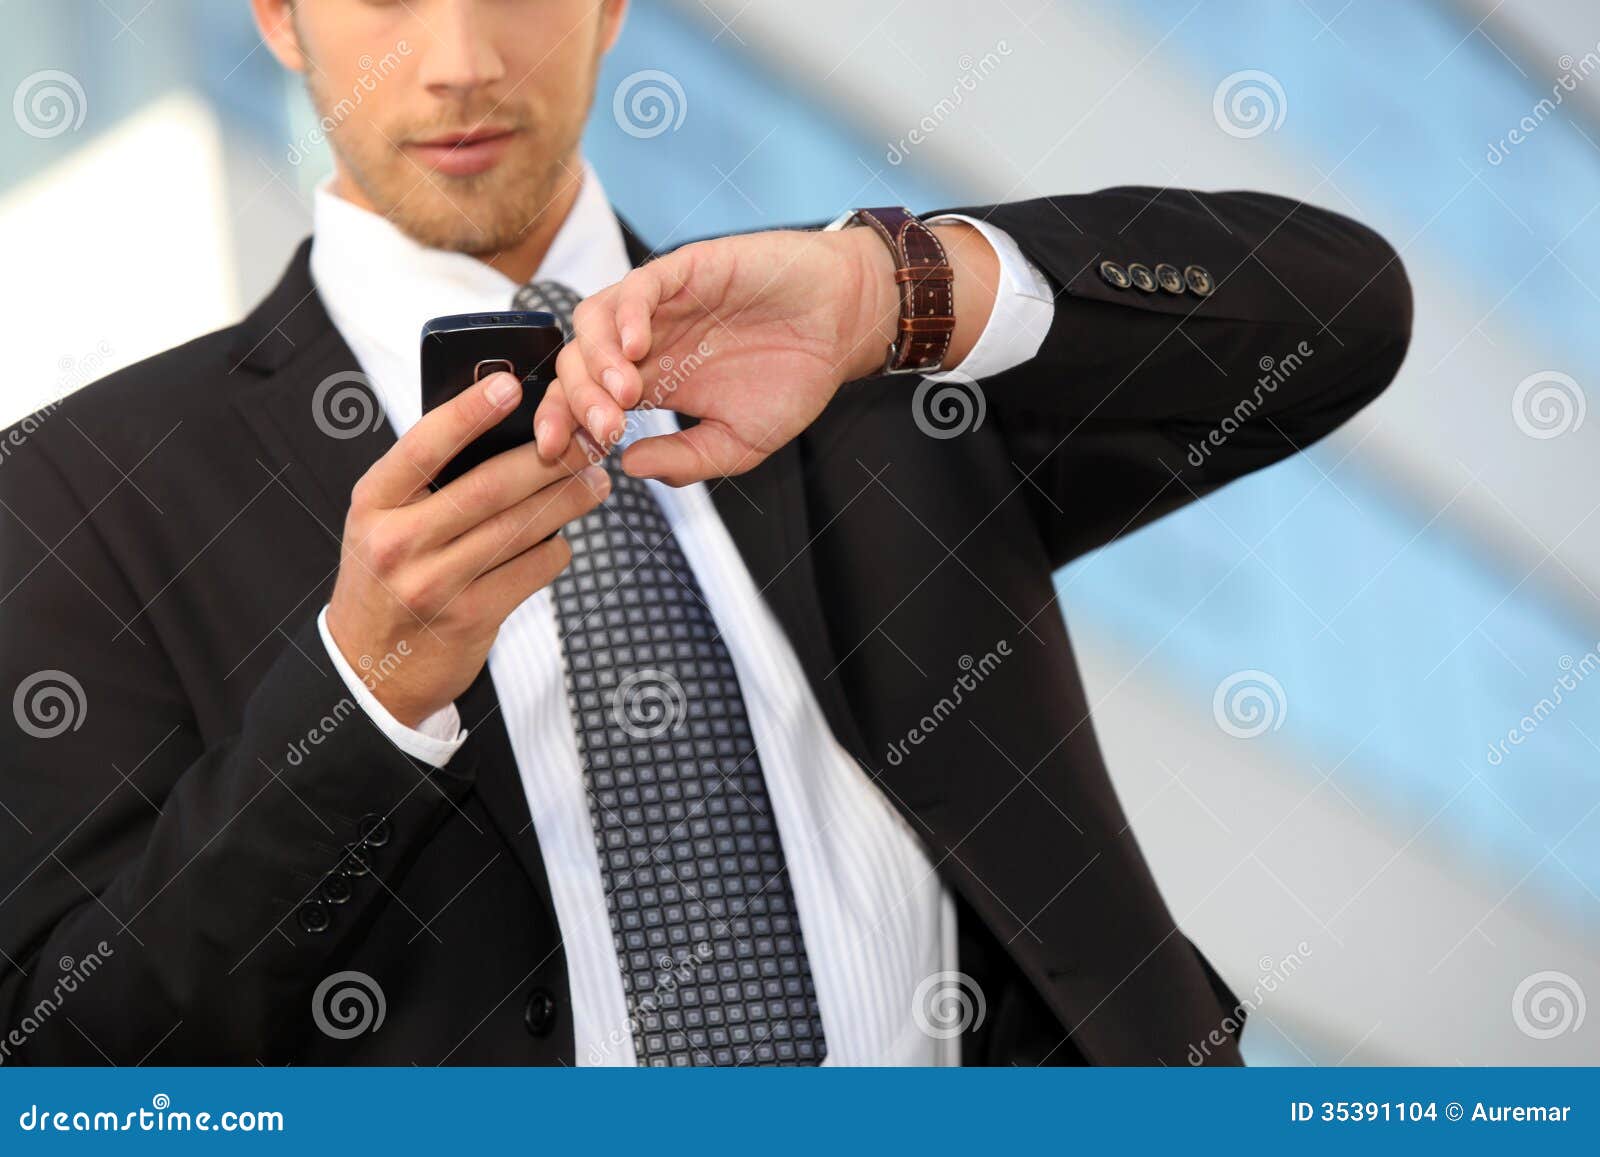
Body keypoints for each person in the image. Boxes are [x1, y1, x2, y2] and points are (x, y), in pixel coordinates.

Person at [0, 0, 1411, 1066]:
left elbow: (1344, 316)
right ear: (276, 14)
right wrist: (362, 696)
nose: (458, 60)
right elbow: (71, 1065)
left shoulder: (851, 342)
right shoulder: (73, 492)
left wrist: (891, 292)